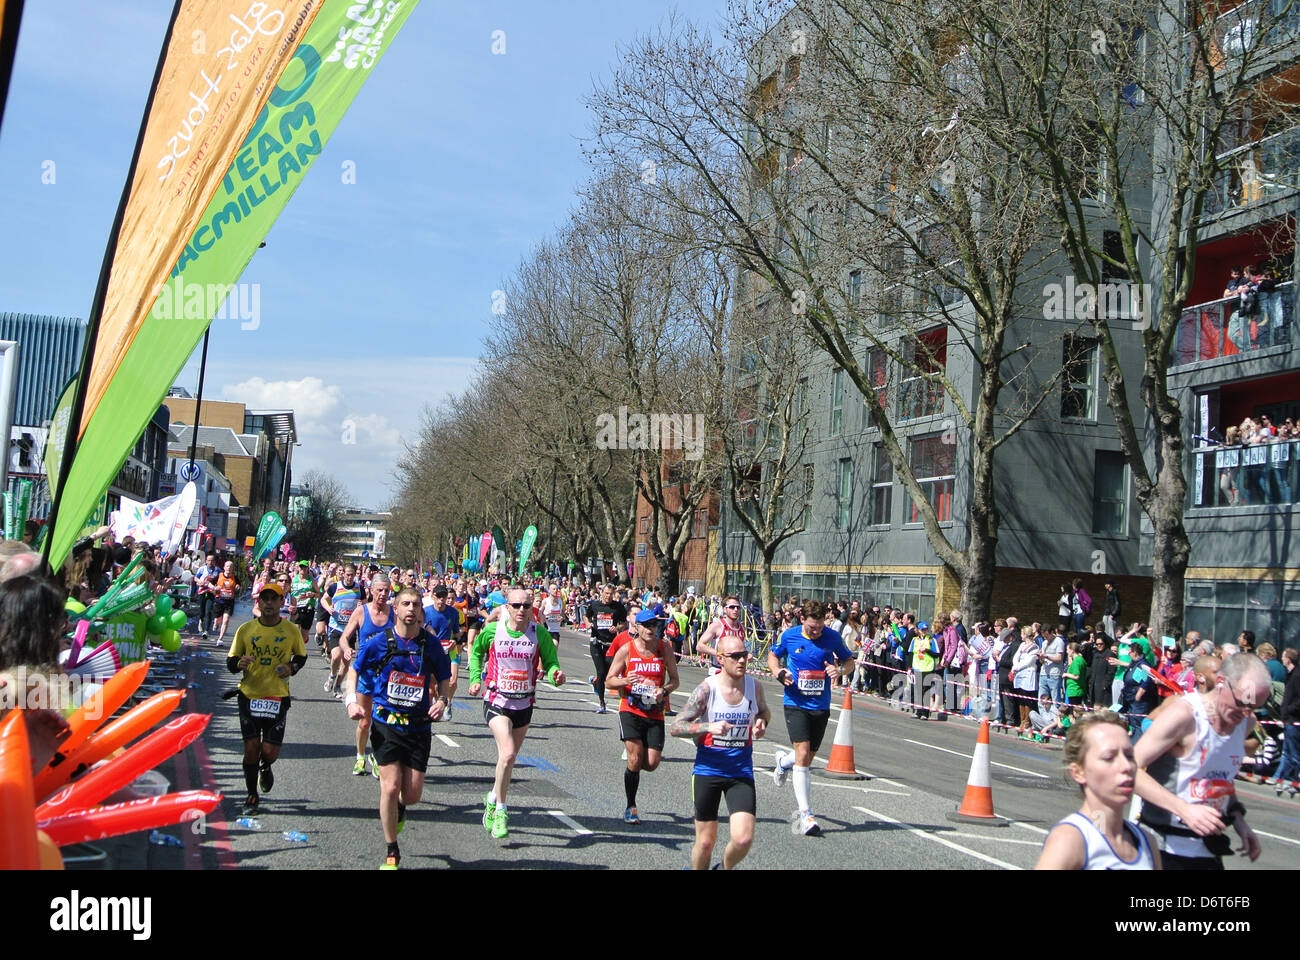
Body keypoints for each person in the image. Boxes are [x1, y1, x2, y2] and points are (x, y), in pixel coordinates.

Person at [345, 587, 452, 869]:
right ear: (396, 608)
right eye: (405, 603)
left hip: (418, 727)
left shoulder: (430, 645)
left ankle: (401, 809)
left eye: (416, 604)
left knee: (412, 794)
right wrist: (350, 702)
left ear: (421, 611)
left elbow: (444, 676)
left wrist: (442, 701)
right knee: (390, 787)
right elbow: (355, 670)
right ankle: (392, 849)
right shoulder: (378, 643)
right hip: (386, 723)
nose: (411, 608)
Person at [1134, 653, 1271, 869]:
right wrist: (1183, 809)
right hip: (1163, 849)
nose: (1246, 713)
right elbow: (1129, 769)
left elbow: (1219, 774)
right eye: (1241, 703)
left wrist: (1238, 819)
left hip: (1208, 850)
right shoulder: (1185, 714)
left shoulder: (1245, 723)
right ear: (1220, 683)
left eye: (1254, 707)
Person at [468, 586, 566, 839]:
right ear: (507, 607)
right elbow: (477, 651)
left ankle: (492, 797)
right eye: (516, 605)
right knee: (509, 753)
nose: (522, 610)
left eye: (527, 606)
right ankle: (501, 810)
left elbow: (551, 661)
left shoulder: (539, 633)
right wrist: (475, 678)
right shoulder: (493, 630)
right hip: (496, 700)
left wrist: (556, 676)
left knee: (507, 760)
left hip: (524, 704)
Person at [670, 632, 770, 869]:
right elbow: (676, 727)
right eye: (735, 656)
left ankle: (723, 867)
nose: (742, 661)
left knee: (743, 839)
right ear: (721, 659)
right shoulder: (707, 689)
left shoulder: (754, 687)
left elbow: (764, 712)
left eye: (744, 655)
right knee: (705, 842)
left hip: (740, 772)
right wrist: (707, 727)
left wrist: (761, 723)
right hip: (708, 771)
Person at [766, 599, 855, 836]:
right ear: (802, 620)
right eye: (811, 628)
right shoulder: (790, 636)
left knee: (805, 757)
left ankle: (783, 762)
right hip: (795, 702)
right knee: (803, 754)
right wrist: (778, 672)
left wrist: (840, 670)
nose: (816, 632)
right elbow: (773, 657)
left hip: (820, 704)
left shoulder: (832, 637)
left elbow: (849, 661)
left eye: (819, 628)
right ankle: (806, 815)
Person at [1034, 711, 1158, 870]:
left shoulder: (1147, 842)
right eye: (1109, 757)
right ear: (1079, 772)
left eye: (1129, 755)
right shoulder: (1070, 840)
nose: (1126, 766)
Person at [226, 582, 307, 815]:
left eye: (274, 599)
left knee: (269, 752)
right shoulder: (245, 630)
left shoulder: (291, 631)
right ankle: (251, 795)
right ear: (258, 602)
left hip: (277, 697)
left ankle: (265, 766)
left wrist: (291, 668)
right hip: (249, 695)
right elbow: (231, 662)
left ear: (282, 602)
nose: (269, 603)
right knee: (251, 748)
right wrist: (237, 663)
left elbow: (300, 658)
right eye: (265, 599)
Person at [606, 608, 681, 823]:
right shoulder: (627, 650)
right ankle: (631, 806)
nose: (650, 629)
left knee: (651, 763)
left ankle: (635, 760)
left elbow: (675, 680)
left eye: (654, 625)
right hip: (630, 709)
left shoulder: (663, 649)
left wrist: (664, 691)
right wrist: (625, 681)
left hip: (655, 712)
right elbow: (609, 681)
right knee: (635, 758)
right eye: (646, 625)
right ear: (637, 627)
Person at [338, 573, 392, 776]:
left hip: (387, 675)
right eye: (379, 590)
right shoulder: (361, 612)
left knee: (384, 722)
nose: (383, 594)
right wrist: (345, 649)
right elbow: (345, 637)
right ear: (371, 590)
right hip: (366, 673)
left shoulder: (394, 613)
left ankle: (377, 757)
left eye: (387, 590)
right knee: (365, 721)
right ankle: (361, 756)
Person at [320, 563, 364, 698]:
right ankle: (332, 675)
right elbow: (323, 599)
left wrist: (362, 605)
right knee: (336, 655)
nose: (350, 578)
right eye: (348, 574)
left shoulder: (359, 589)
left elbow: (366, 603)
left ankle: (338, 686)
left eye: (353, 575)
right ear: (343, 574)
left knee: (346, 660)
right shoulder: (335, 587)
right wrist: (328, 608)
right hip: (336, 627)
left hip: (350, 629)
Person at [585, 584, 627, 714]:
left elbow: (624, 623)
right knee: (601, 672)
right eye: (606, 593)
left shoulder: (618, 607)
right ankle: (602, 703)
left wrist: (618, 628)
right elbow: (586, 615)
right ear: (602, 592)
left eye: (611, 594)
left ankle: (596, 681)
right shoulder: (594, 605)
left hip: (611, 645)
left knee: (608, 673)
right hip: (596, 642)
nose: (608, 596)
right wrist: (587, 623)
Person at [695, 594, 748, 677]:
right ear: (724, 609)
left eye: (738, 607)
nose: (735, 609)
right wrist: (718, 653)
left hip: (735, 672)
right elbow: (699, 646)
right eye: (732, 607)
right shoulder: (717, 626)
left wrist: (747, 655)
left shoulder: (741, 628)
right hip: (718, 670)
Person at [1274, 647, 1299, 795]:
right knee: (1288, 752)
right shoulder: (1290, 675)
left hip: (1294, 720)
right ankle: (1285, 779)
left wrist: (1289, 709)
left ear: (1288, 659)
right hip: (1289, 719)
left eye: (1283, 657)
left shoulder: (1296, 676)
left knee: (1294, 753)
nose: (1282, 660)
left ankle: (1292, 780)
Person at [212, 560, 239, 646]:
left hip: (229, 601)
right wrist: (214, 588)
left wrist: (238, 587)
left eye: (231, 567)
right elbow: (210, 583)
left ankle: (220, 639)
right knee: (217, 619)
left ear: (232, 568)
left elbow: (239, 585)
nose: (229, 568)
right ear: (224, 567)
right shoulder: (219, 576)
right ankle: (216, 624)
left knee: (226, 620)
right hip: (219, 600)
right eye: (227, 566)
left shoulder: (235, 577)